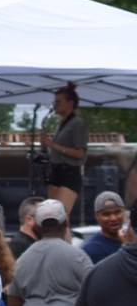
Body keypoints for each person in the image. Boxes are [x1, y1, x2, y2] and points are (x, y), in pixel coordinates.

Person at [45, 84, 87, 218]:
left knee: (60, 217)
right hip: (56, 171)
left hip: (68, 172)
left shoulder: (77, 123)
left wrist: (53, 145)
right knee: (52, 216)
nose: (55, 105)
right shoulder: (63, 124)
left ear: (70, 103)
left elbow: (80, 153)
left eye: (58, 102)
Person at [88, 192, 130, 265]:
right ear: (97, 216)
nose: (113, 218)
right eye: (106, 214)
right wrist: (127, 246)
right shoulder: (92, 249)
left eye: (117, 212)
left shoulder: (132, 239)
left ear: (124, 212)